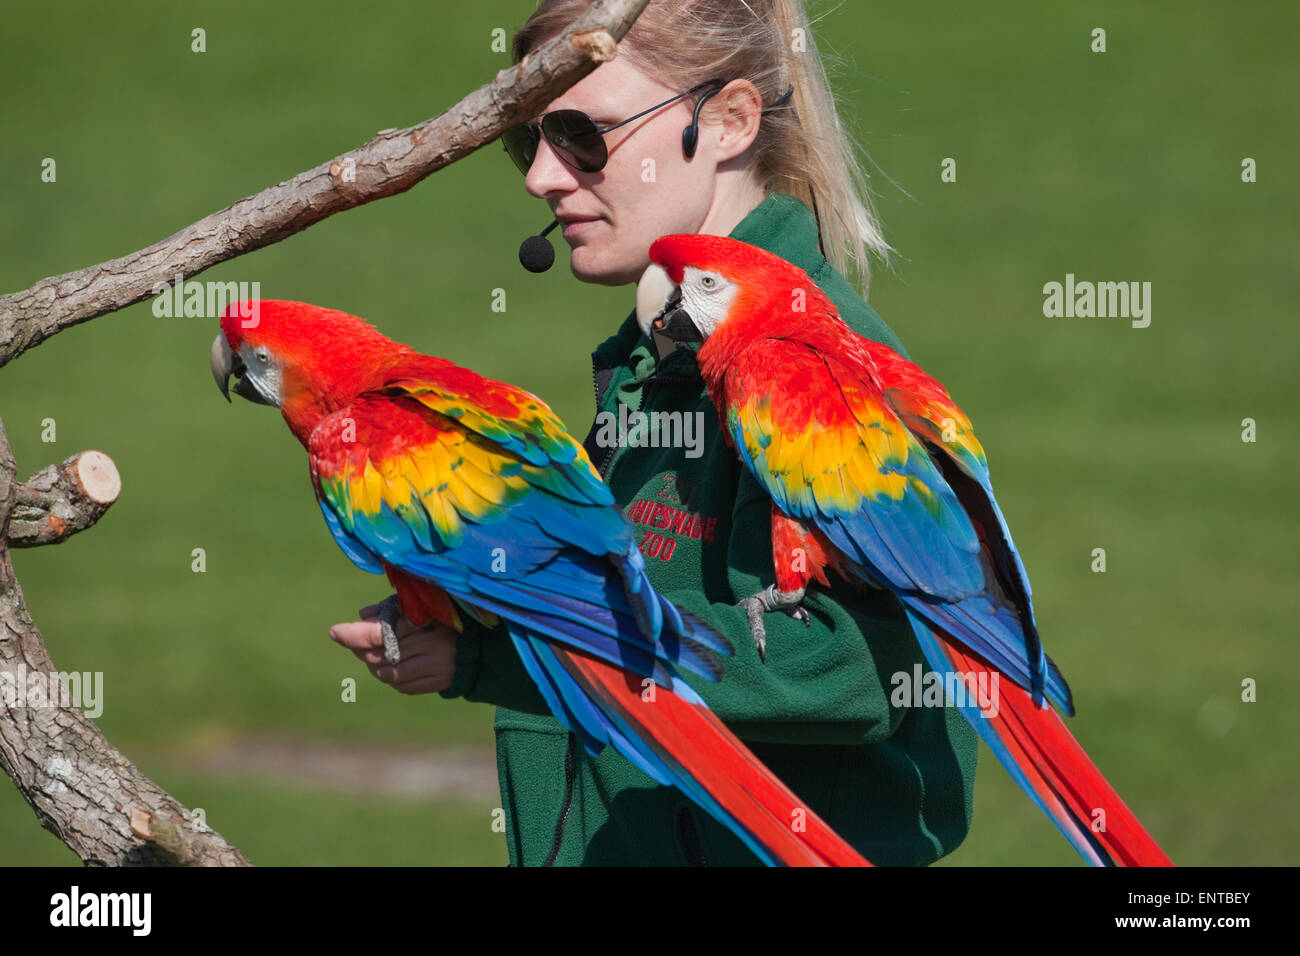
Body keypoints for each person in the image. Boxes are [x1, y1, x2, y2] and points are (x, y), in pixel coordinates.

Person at [329, 0, 977, 866]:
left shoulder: (805, 366)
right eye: (528, 142)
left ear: (730, 122)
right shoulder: (667, 343)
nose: (542, 179)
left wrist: (503, 664)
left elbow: (842, 673)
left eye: (583, 135)